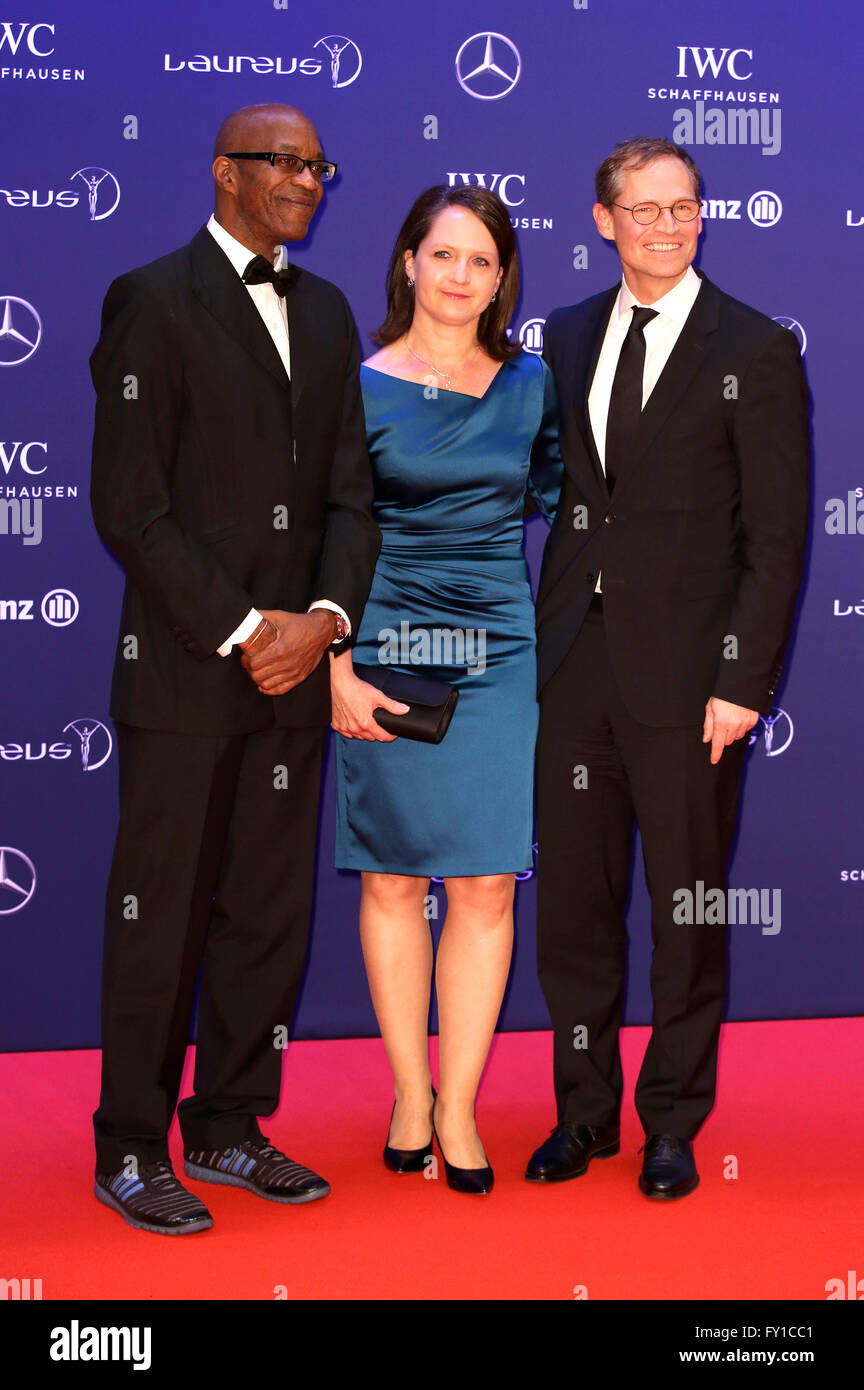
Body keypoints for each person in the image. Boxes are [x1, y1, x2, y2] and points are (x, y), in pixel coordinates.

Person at [89, 103, 380, 1233]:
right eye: (283, 162)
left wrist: (318, 618)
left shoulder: (332, 310)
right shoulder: (152, 300)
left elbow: (352, 496)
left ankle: (226, 1126)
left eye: (317, 165)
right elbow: (132, 504)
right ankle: (128, 1146)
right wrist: (243, 630)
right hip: (186, 675)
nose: (305, 179)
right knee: (159, 916)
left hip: (298, 672)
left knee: (266, 913)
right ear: (224, 172)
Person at [526, 137, 810, 1199]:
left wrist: (742, 680)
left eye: (682, 205)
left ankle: (673, 1120)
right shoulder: (562, 334)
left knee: (688, 907)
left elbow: (777, 537)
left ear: (702, 216)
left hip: (696, 681)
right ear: (604, 221)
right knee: (575, 912)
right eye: (643, 209)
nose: (665, 225)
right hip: (574, 668)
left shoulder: (756, 345)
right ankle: (583, 1113)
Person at [330, 185, 563, 1195]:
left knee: (480, 882)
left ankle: (461, 1106)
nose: (462, 276)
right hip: (383, 643)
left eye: (483, 261)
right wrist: (333, 663)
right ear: (409, 263)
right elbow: (321, 531)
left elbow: (583, 510)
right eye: (445, 256)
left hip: (498, 653)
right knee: (391, 876)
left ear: (502, 278)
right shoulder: (357, 386)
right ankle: (410, 1092)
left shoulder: (533, 386)